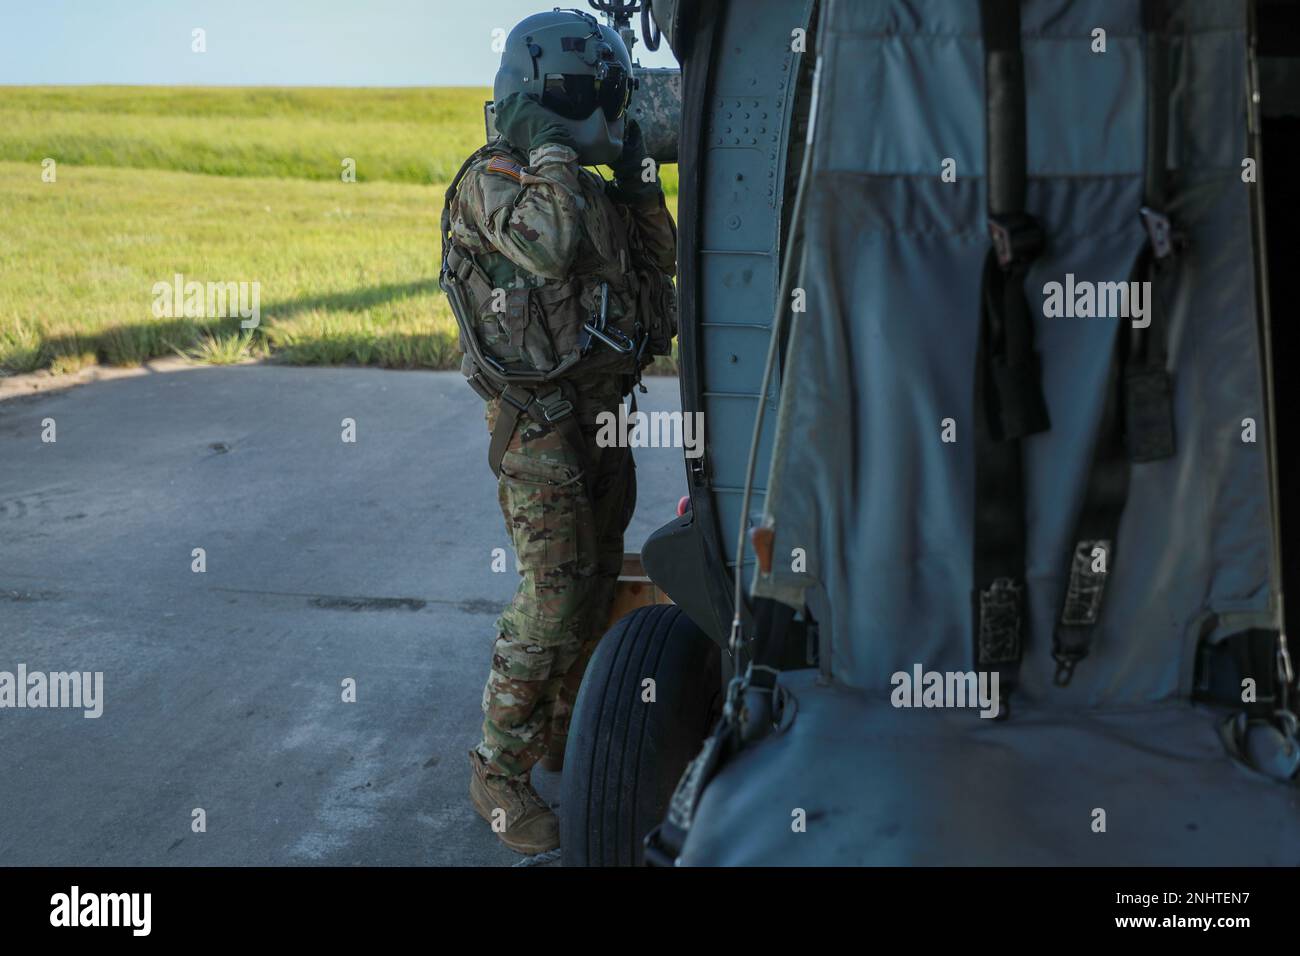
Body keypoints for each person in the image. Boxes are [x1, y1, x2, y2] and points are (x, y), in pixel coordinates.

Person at [439, 7, 677, 854]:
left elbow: (658, 277)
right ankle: (496, 771)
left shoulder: (590, 188)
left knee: (593, 580)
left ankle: (565, 733)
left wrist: (643, 184)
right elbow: (543, 245)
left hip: (600, 411)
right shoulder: (493, 182)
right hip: (537, 422)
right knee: (551, 596)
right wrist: (551, 150)